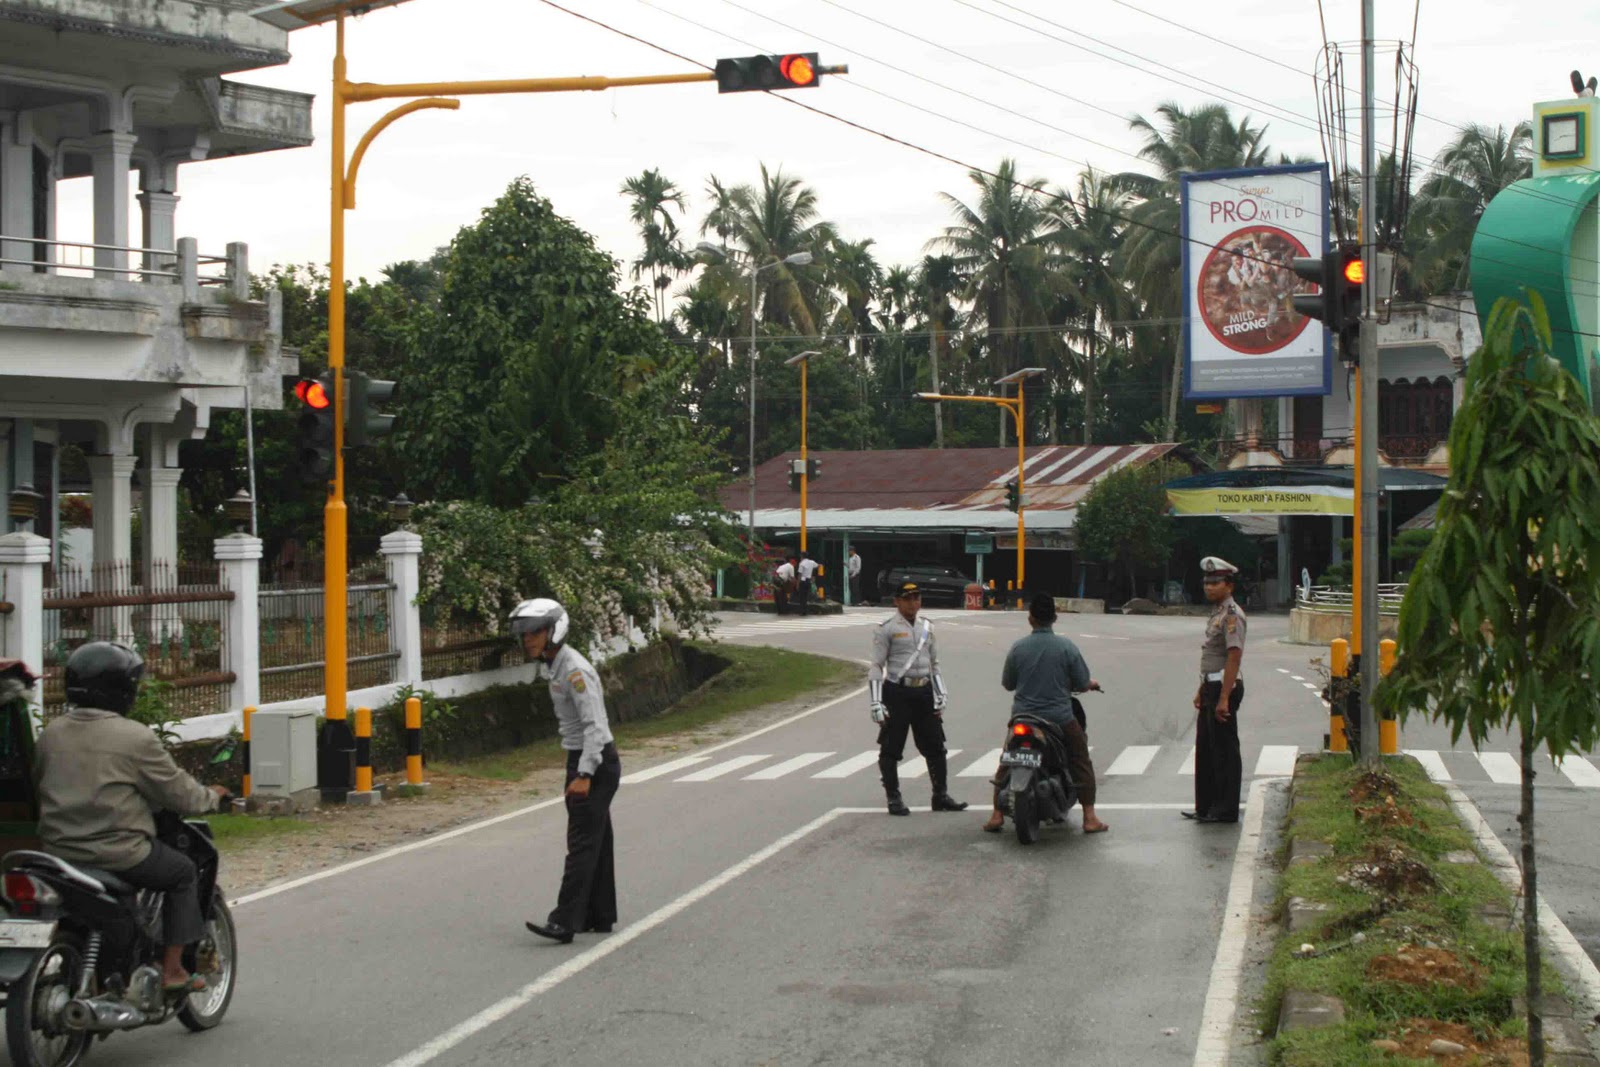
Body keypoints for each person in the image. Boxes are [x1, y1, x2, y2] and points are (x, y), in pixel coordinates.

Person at [34, 642, 229, 994]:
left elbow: (40, 782)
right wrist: (212, 797)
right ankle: (173, 971)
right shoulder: (134, 737)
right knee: (183, 872)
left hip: (58, 853)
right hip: (119, 854)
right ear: (122, 690)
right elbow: (179, 793)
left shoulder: (52, 733)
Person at [517, 598, 622, 943]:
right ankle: (599, 915)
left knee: (581, 844)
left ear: (553, 631)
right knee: (597, 840)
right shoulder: (556, 665)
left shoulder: (574, 670)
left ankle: (564, 921)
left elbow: (595, 726)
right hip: (589, 758)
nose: (528, 639)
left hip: (592, 761)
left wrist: (584, 774)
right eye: (524, 634)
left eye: (534, 632)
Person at [984, 594, 1109, 834]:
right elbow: (1081, 682)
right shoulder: (1066, 647)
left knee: (1008, 759)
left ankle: (996, 815)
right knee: (1080, 758)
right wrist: (1090, 684)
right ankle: (1090, 817)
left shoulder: (1018, 648)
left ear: (1030, 618)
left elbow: (1008, 684)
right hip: (1059, 718)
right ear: (1054, 618)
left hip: (1022, 718)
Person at [868, 582, 967, 816]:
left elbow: (934, 664)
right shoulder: (887, 628)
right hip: (897, 692)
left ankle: (940, 795)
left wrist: (941, 693)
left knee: (936, 747)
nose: (913, 603)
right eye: (908, 598)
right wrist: (876, 702)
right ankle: (894, 798)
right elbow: (876, 666)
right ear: (897, 601)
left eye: (917, 598)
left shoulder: (927, 627)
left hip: (924, 691)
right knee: (891, 748)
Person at [1184, 557, 1247, 824]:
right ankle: (1206, 806)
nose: (1209, 587)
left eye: (1215, 583)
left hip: (1224, 687)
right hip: (1211, 685)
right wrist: (1202, 689)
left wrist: (1224, 698)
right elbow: (1213, 656)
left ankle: (1226, 810)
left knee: (1224, 751)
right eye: (1206, 583)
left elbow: (1233, 656)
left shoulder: (1232, 615)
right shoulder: (1218, 612)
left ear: (1229, 585)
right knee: (1206, 749)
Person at [796, 553, 820, 617]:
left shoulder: (801, 563)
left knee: (802, 597)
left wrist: (797, 584)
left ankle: (802, 611)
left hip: (803, 581)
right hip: (808, 581)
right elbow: (818, 566)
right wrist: (812, 573)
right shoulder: (812, 562)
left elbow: (800, 574)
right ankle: (805, 611)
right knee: (806, 596)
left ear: (802, 556)